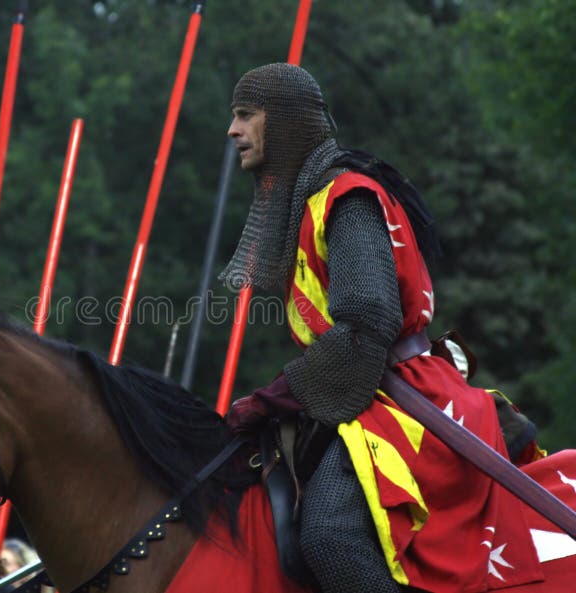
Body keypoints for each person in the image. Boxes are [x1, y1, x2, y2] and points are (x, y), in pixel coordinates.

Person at [223, 63, 542, 593]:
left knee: (330, 533)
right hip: (365, 394)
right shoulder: (310, 204)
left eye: (244, 115)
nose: (232, 131)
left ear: (283, 122)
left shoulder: (348, 197)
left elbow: (368, 323)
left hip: (404, 399)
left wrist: (277, 395)